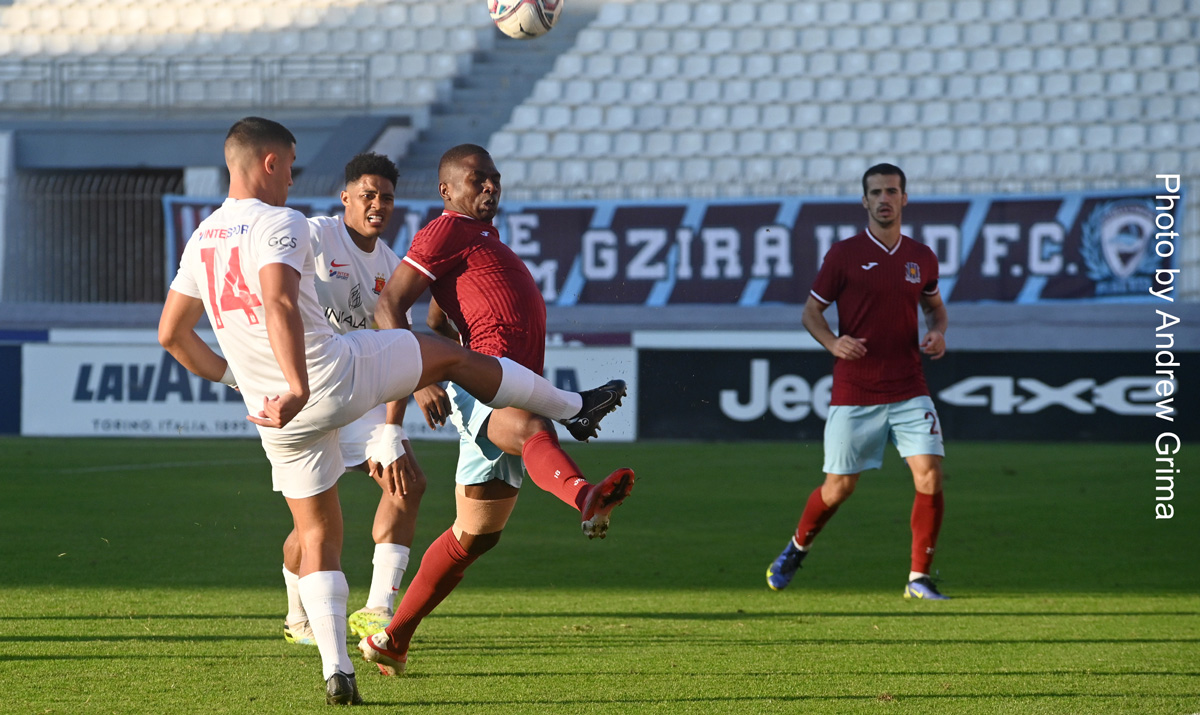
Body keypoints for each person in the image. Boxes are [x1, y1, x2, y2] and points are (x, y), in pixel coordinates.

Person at [157, 118, 629, 705]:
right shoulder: (284, 222)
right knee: (450, 359)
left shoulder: (202, 236)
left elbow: (172, 335)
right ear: (273, 163)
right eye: (293, 165)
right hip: (325, 377)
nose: (293, 179)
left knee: (318, 532)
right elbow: (280, 301)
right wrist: (301, 383)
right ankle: (575, 406)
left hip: (271, 410)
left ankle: (340, 669)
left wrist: (245, 381)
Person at [357, 144, 635, 676]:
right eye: (476, 179)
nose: (490, 187)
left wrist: (442, 343)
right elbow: (387, 306)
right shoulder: (443, 230)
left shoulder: (477, 239)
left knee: (475, 535)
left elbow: (439, 316)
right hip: (482, 375)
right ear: (447, 190)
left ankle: (392, 639)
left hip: (506, 377)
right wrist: (420, 376)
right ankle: (584, 494)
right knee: (529, 424)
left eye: (495, 179)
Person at [765, 163, 951, 600]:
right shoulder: (844, 255)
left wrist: (939, 331)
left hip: (909, 386)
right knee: (838, 488)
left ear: (905, 198)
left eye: (892, 191)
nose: (884, 198)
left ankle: (918, 578)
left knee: (930, 476)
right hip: (856, 390)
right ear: (864, 201)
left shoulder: (921, 257)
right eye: (876, 192)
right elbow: (812, 312)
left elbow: (935, 308)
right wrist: (833, 343)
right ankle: (796, 548)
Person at [281, 152, 427, 649]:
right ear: (346, 197)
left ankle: (377, 609)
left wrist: (391, 427)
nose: (377, 204)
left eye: (386, 197)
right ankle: (296, 612)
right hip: (311, 391)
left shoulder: (390, 265)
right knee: (313, 524)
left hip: (360, 395)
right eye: (368, 195)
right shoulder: (316, 235)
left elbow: (399, 348)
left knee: (407, 482)